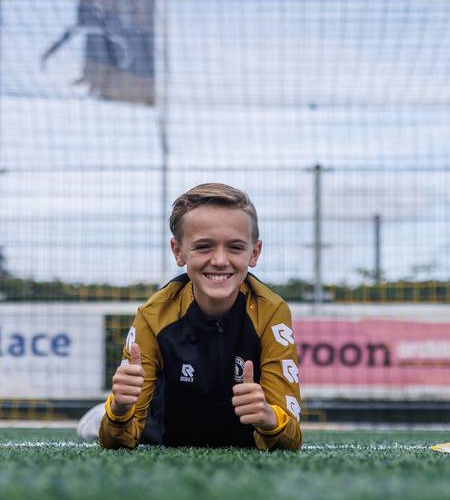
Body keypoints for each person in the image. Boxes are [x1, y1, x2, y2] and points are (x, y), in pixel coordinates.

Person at [81, 183, 302, 450]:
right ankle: (99, 414)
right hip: (163, 435)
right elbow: (120, 440)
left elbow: (291, 437)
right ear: (178, 251)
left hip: (242, 438)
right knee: (102, 422)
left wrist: (269, 419)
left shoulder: (271, 312)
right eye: (204, 247)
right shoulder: (154, 315)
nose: (220, 260)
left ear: (254, 253)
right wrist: (119, 408)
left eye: (235, 247)